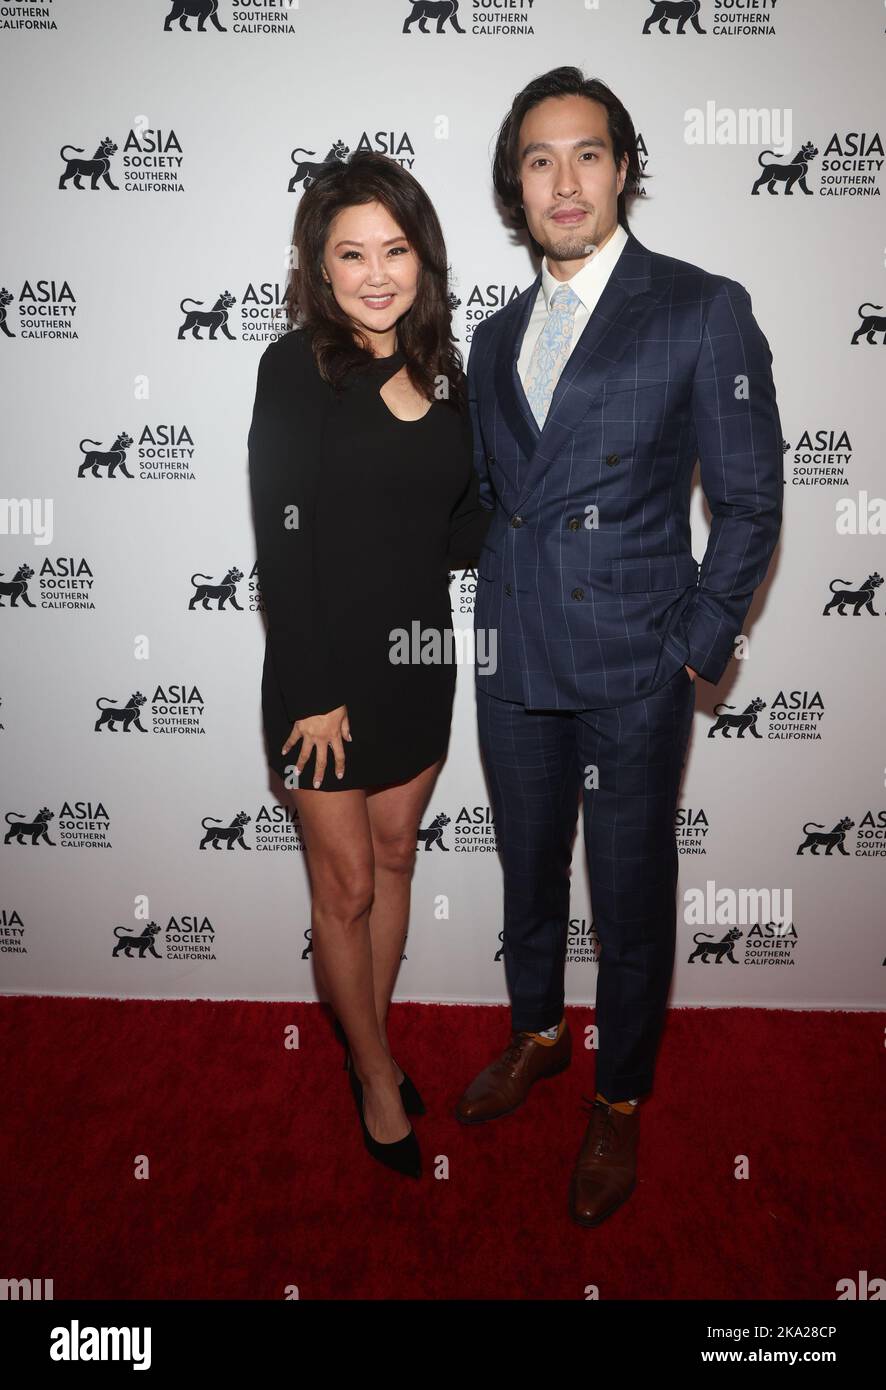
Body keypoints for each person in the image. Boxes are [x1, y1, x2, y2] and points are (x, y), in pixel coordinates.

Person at [457, 68, 783, 1226]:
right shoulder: (490, 338)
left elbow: (748, 502)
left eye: (585, 153)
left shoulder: (699, 307)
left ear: (623, 167)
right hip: (516, 662)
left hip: (633, 668)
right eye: (538, 159)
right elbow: (494, 498)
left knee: (631, 897)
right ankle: (539, 1033)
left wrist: (689, 645)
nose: (562, 179)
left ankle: (622, 1097)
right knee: (527, 871)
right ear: (516, 182)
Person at [247, 151, 491, 1180]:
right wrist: (310, 691)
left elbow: (460, 534)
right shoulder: (293, 367)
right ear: (320, 263)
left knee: (396, 859)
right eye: (352, 253)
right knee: (343, 887)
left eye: (394, 249)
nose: (376, 273)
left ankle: (370, 1042)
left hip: (417, 661)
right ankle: (377, 1074)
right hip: (323, 681)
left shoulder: (446, 374)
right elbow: (280, 536)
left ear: (422, 260)